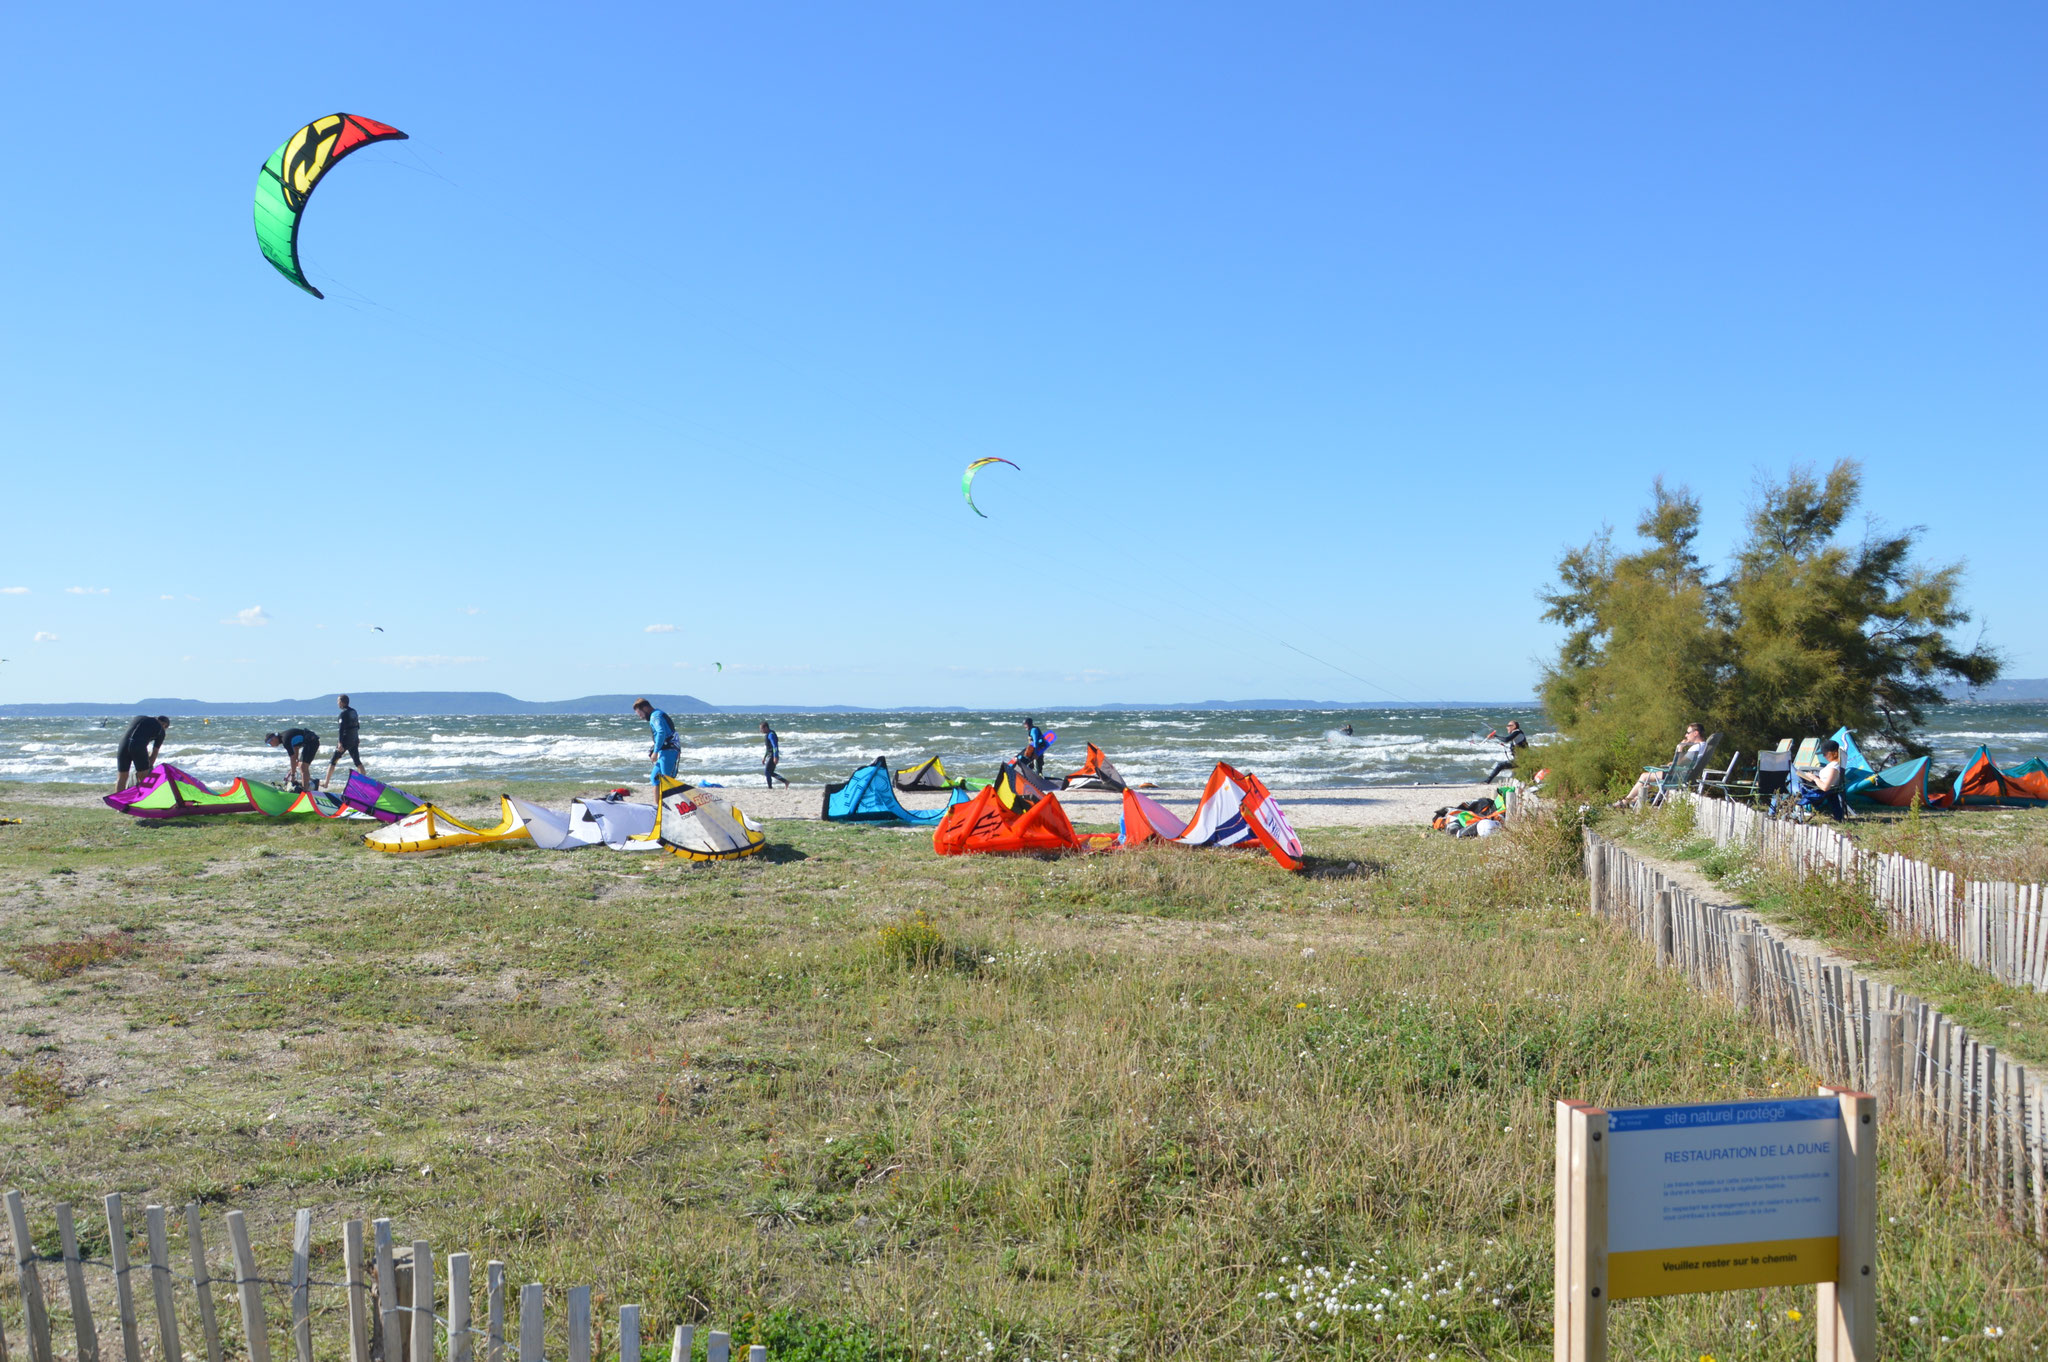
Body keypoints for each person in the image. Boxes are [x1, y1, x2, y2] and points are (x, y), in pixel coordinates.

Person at [1614, 722, 1706, 809]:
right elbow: (1684, 762)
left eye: (1688, 732)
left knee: (1645, 776)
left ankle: (1625, 802)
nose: (1686, 735)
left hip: (1678, 776)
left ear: (1695, 733)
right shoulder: (1703, 746)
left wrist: (1680, 748)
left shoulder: (1696, 747)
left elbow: (1680, 763)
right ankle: (1633, 801)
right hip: (1685, 775)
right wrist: (1674, 763)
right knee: (1649, 780)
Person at [115, 714, 170, 790]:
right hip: (138, 746)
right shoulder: (161, 730)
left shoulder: (139, 717)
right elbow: (154, 752)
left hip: (122, 745)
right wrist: (148, 767)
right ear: (165, 725)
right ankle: (143, 799)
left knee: (122, 778)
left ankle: (117, 801)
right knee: (144, 778)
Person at [633, 698, 680, 788]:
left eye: (640, 714)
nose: (641, 717)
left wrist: (655, 752)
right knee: (655, 779)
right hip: (666, 750)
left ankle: (670, 801)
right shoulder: (657, 713)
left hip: (668, 751)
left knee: (667, 780)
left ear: (645, 708)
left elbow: (661, 733)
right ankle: (658, 802)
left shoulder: (655, 716)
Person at [1802, 738, 1852, 820]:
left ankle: (1796, 808)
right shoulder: (1835, 764)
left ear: (1834, 753)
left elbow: (1825, 787)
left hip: (1821, 788)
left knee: (1793, 782)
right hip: (1823, 786)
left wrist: (1814, 778)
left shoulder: (1834, 767)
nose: (1824, 756)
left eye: (1825, 754)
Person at [324, 694, 365, 788]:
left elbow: (341, 729)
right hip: (353, 740)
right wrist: (357, 738)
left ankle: (326, 783)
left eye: (338, 701)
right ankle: (364, 783)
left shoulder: (343, 714)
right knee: (357, 761)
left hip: (345, 740)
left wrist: (340, 743)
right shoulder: (354, 712)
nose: (337, 703)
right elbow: (357, 726)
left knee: (333, 761)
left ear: (342, 702)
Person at [761, 721, 789, 788]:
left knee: (767, 772)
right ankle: (785, 781)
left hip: (773, 755)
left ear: (766, 728)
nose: (760, 730)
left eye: (761, 729)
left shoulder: (771, 734)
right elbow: (768, 748)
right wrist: (764, 757)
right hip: (770, 755)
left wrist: (775, 756)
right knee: (770, 772)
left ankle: (770, 787)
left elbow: (775, 746)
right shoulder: (768, 734)